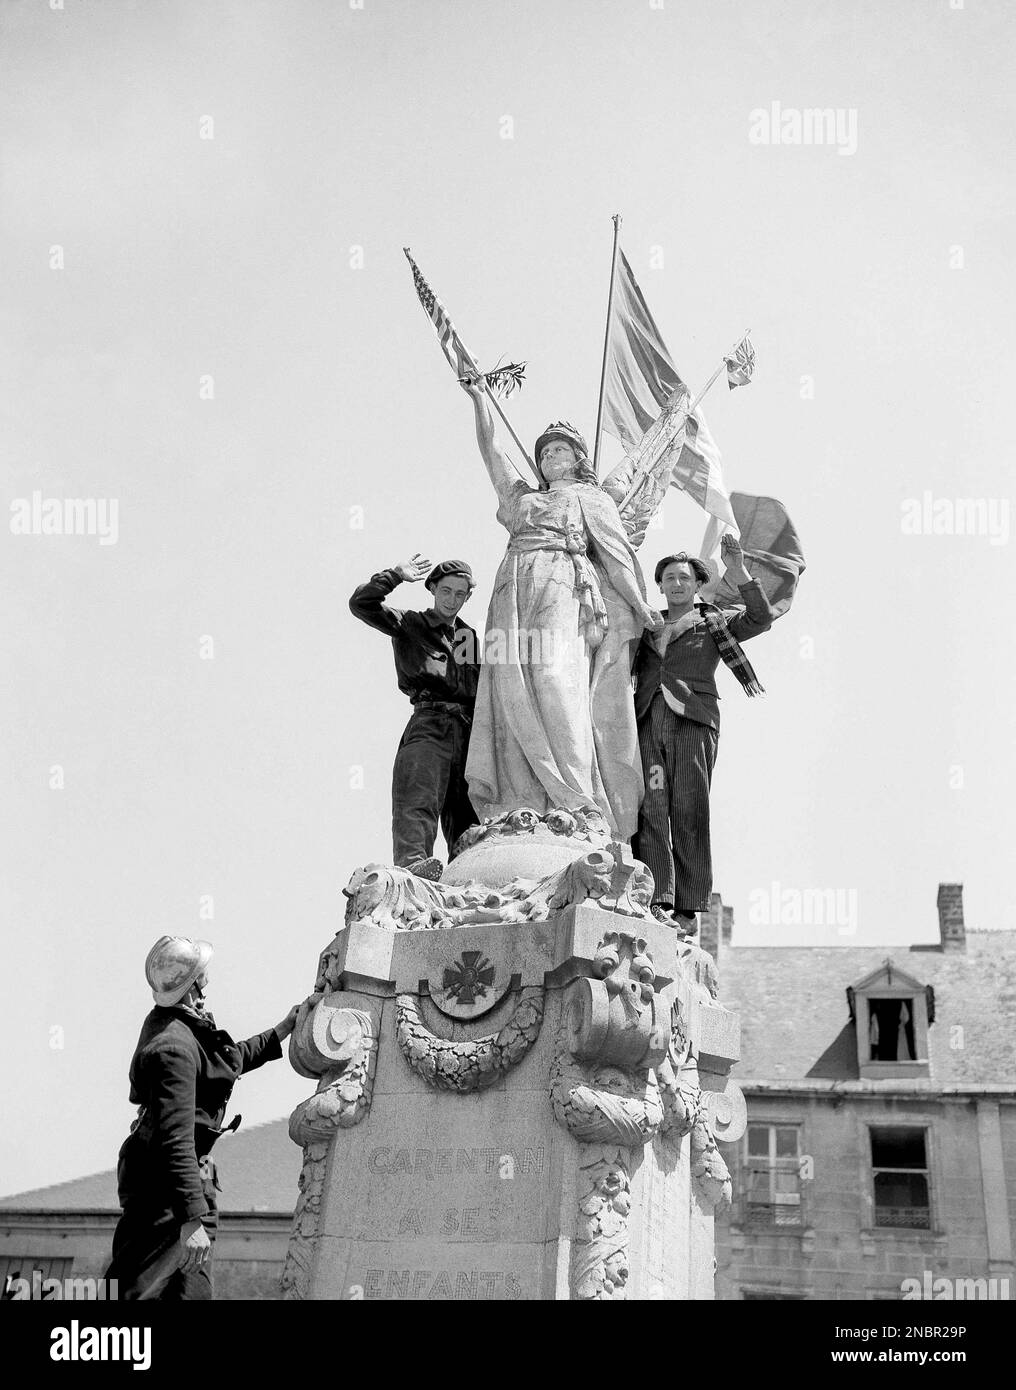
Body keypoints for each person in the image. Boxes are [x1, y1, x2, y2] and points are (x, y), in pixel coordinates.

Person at [459, 374, 662, 839]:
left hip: (563, 583)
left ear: (578, 458)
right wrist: (480, 400)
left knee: (554, 678)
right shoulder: (521, 498)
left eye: (559, 450)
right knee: (509, 687)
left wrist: (639, 606)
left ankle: (578, 798)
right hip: (512, 585)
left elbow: (614, 554)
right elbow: (492, 454)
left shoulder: (590, 498)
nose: (550, 458)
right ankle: (521, 800)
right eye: (544, 452)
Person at [105, 936, 304, 1300]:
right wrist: (191, 1220)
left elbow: (224, 1062)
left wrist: (282, 1030)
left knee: (190, 1292)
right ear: (189, 987)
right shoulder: (173, 1048)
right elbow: (175, 1139)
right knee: (139, 1290)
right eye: (202, 979)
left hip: (180, 1188)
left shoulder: (178, 1026)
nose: (206, 987)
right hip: (165, 1192)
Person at [633, 537, 777, 932]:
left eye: (684, 578)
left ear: (697, 585)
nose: (677, 584)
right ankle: (657, 896)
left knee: (688, 805)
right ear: (659, 585)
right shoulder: (645, 623)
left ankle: (688, 904)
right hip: (647, 720)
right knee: (652, 803)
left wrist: (739, 570)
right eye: (669, 578)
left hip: (692, 722)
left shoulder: (713, 620)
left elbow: (760, 618)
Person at [349, 556, 479, 878]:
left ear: (467, 596)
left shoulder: (468, 639)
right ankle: (413, 868)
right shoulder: (411, 624)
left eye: (459, 593)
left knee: (469, 820)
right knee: (417, 799)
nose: (451, 600)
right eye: (446, 591)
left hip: (468, 734)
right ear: (433, 589)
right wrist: (394, 575)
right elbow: (361, 604)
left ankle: (465, 877)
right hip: (429, 724)